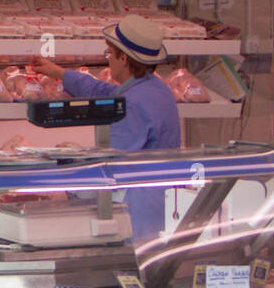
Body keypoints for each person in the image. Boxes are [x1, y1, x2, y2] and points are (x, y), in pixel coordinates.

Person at [32, 14, 181, 241]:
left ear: (123, 58)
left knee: (132, 270)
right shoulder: (156, 89)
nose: (108, 59)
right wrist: (59, 73)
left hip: (136, 212)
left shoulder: (132, 104)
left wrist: (75, 159)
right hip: (160, 204)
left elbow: (110, 167)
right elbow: (104, 92)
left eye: (109, 53)